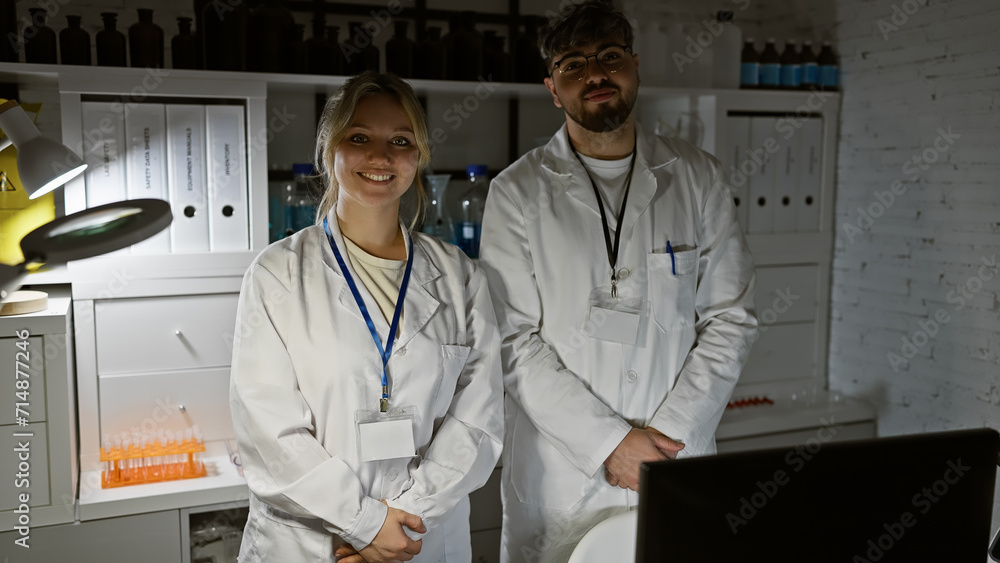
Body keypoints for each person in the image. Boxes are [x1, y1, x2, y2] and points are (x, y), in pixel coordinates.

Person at [478, 2, 759, 561]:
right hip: (564, 476)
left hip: (674, 460)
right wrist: (610, 443)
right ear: (553, 89)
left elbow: (731, 317)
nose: (595, 75)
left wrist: (662, 442)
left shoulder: (697, 176)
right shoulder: (517, 192)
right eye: (573, 65)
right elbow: (512, 340)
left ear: (635, 64)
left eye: (609, 57)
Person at [230, 71, 504, 562]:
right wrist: (365, 524)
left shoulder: (460, 277)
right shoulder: (277, 274)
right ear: (328, 150)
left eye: (400, 141)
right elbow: (266, 431)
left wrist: (397, 529)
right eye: (359, 138)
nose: (381, 157)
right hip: (316, 542)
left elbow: (479, 421)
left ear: (418, 157)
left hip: (423, 537)